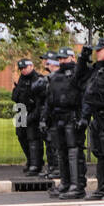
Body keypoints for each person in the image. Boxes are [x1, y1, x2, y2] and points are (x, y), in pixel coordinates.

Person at [44, 47, 91, 200]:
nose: (62, 61)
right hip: (58, 118)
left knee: (74, 152)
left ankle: (77, 185)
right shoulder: (55, 76)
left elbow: (82, 72)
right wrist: (44, 118)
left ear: (72, 58)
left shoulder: (77, 74)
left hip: (72, 116)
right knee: (62, 152)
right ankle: (65, 183)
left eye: (65, 58)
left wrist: (83, 57)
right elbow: (49, 99)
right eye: (60, 59)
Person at [80, 39, 104, 200]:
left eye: (100, 50)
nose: (97, 53)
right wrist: (82, 59)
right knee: (100, 154)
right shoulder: (97, 69)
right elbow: (81, 81)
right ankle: (103, 187)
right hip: (97, 116)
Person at [11, 59, 48, 177]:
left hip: (33, 112)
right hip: (21, 111)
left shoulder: (38, 79)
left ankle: (36, 165)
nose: (23, 70)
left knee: (33, 138)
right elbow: (15, 97)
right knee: (21, 137)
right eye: (21, 69)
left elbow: (40, 101)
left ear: (31, 66)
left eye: (25, 68)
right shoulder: (21, 79)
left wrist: (33, 116)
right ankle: (30, 160)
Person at [41, 52, 61, 180]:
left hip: (57, 116)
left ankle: (57, 168)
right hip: (50, 115)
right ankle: (52, 167)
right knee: (50, 144)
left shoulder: (56, 78)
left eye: (48, 62)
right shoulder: (48, 78)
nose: (46, 64)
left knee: (56, 144)